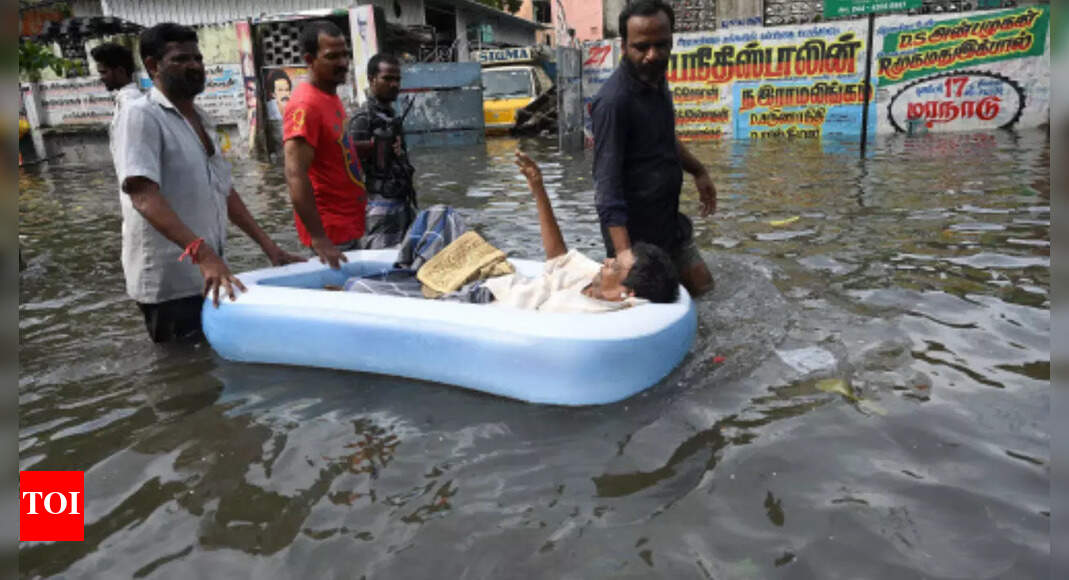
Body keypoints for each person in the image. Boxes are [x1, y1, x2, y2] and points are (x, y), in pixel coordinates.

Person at [116, 23, 302, 342]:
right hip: (170, 281)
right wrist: (202, 255)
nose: (194, 66)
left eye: (197, 58)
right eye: (180, 59)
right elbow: (143, 196)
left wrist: (269, 247)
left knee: (207, 361)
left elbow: (224, 190)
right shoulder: (141, 115)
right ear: (152, 66)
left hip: (209, 272)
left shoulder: (201, 118)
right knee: (180, 365)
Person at [345, 151, 680, 314]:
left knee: (357, 289)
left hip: (481, 300)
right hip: (500, 276)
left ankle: (404, 283)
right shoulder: (596, 277)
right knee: (439, 215)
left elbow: (646, 302)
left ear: (626, 293)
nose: (606, 261)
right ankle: (408, 275)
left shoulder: (597, 314)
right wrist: (538, 187)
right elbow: (558, 257)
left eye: (615, 266)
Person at [590, 0, 717, 297]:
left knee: (705, 290)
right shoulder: (613, 102)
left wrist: (699, 171)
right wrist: (624, 255)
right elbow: (606, 186)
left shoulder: (656, 80)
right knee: (649, 309)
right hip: (636, 240)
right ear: (624, 46)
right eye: (642, 47)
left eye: (661, 45)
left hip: (668, 221)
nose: (653, 55)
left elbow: (663, 138)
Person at [283, 20, 369, 269]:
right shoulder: (306, 105)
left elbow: (333, 149)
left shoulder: (329, 95)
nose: (343, 63)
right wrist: (319, 238)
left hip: (349, 225)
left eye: (345, 54)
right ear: (310, 60)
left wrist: (368, 147)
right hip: (331, 235)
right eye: (332, 56)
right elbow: (295, 174)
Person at [348, 53, 418, 249]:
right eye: (387, 79)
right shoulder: (363, 119)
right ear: (372, 80)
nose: (394, 84)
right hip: (378, 208)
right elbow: (351, 169)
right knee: (380, 261)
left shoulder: (391, 117)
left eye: (397, 79)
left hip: (402, 203)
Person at [90, 42, 142, 150]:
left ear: (120, 71)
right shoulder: (125, 100)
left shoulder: (131, 105)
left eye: (104, 72)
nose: (101, 78)